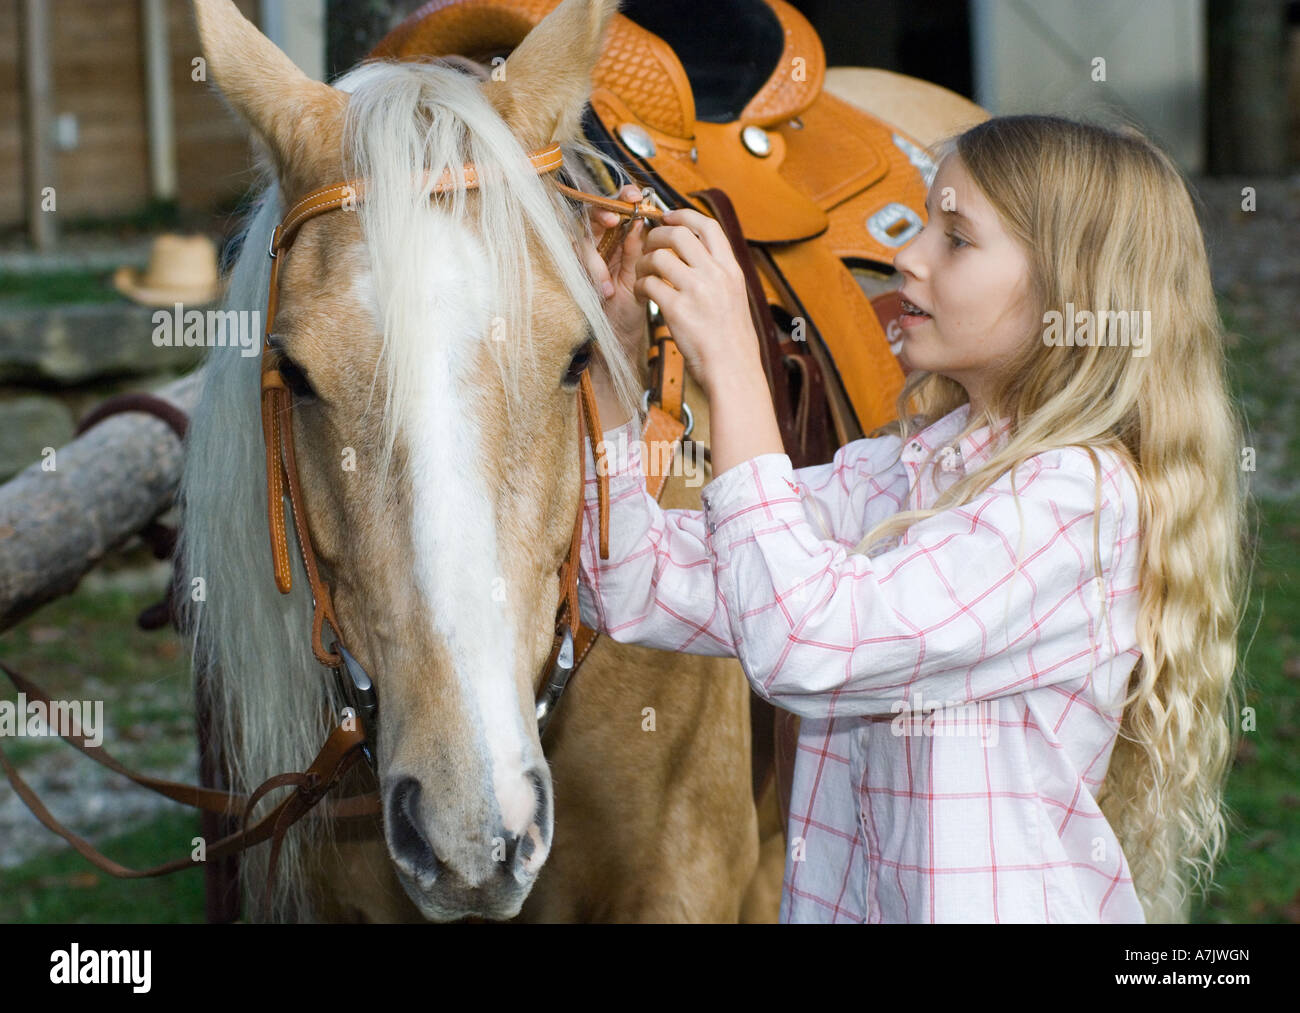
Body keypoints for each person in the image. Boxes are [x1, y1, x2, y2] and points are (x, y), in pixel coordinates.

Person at [574, 115, 1249, 923]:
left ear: (1073, 293)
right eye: (925, 222)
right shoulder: (901, 473)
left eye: (956, 239)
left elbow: (807, 640)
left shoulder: (1077, 505)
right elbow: (632, 582)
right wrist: (613, 357)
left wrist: (734, 371)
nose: (908, 257)